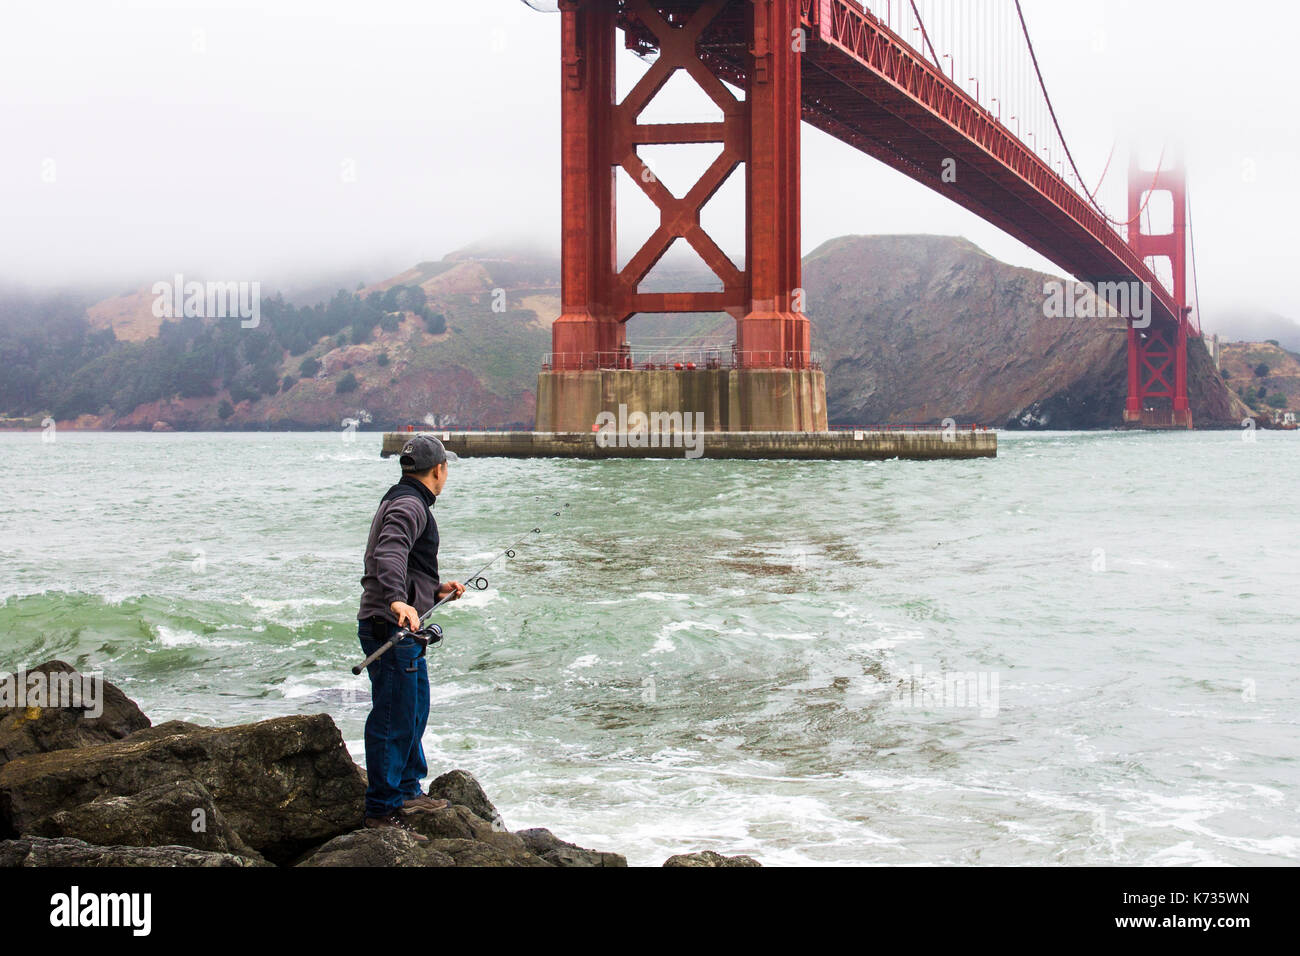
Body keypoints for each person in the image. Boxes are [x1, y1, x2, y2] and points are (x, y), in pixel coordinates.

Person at [357, 434, 466, 838]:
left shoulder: (403, 499)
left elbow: (406, 562)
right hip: (390, 627)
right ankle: (382, 812)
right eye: (446, 468)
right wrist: (397, 602)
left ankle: (406, 789)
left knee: (414, 707)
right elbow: (389, 553)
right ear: (438, 469)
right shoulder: (409, 504)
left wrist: (433, 592)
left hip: (402, 625)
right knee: (392, 717)